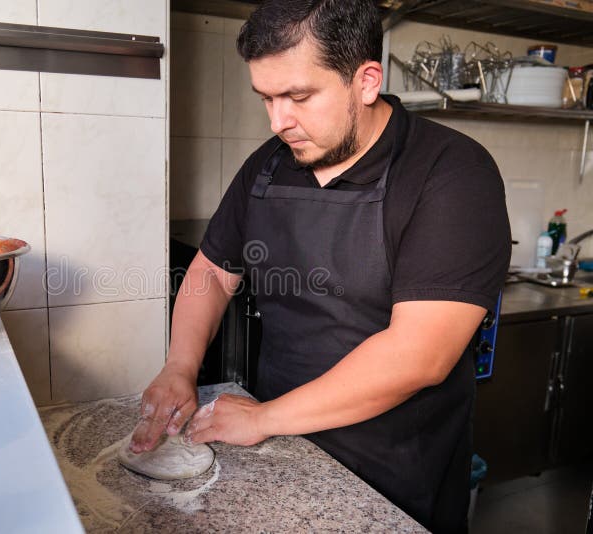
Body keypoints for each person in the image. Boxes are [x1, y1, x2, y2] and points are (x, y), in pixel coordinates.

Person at [130, 1, 511, 532]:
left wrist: (264, 418)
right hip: (280, 452)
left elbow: (419, 355)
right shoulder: (268, 165)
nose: (278, 120)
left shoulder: (451, 174)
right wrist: (179, 366)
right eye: (266, 98)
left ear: (367, 81)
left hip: (396, 470)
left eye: (299, 97)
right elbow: (214, 271)